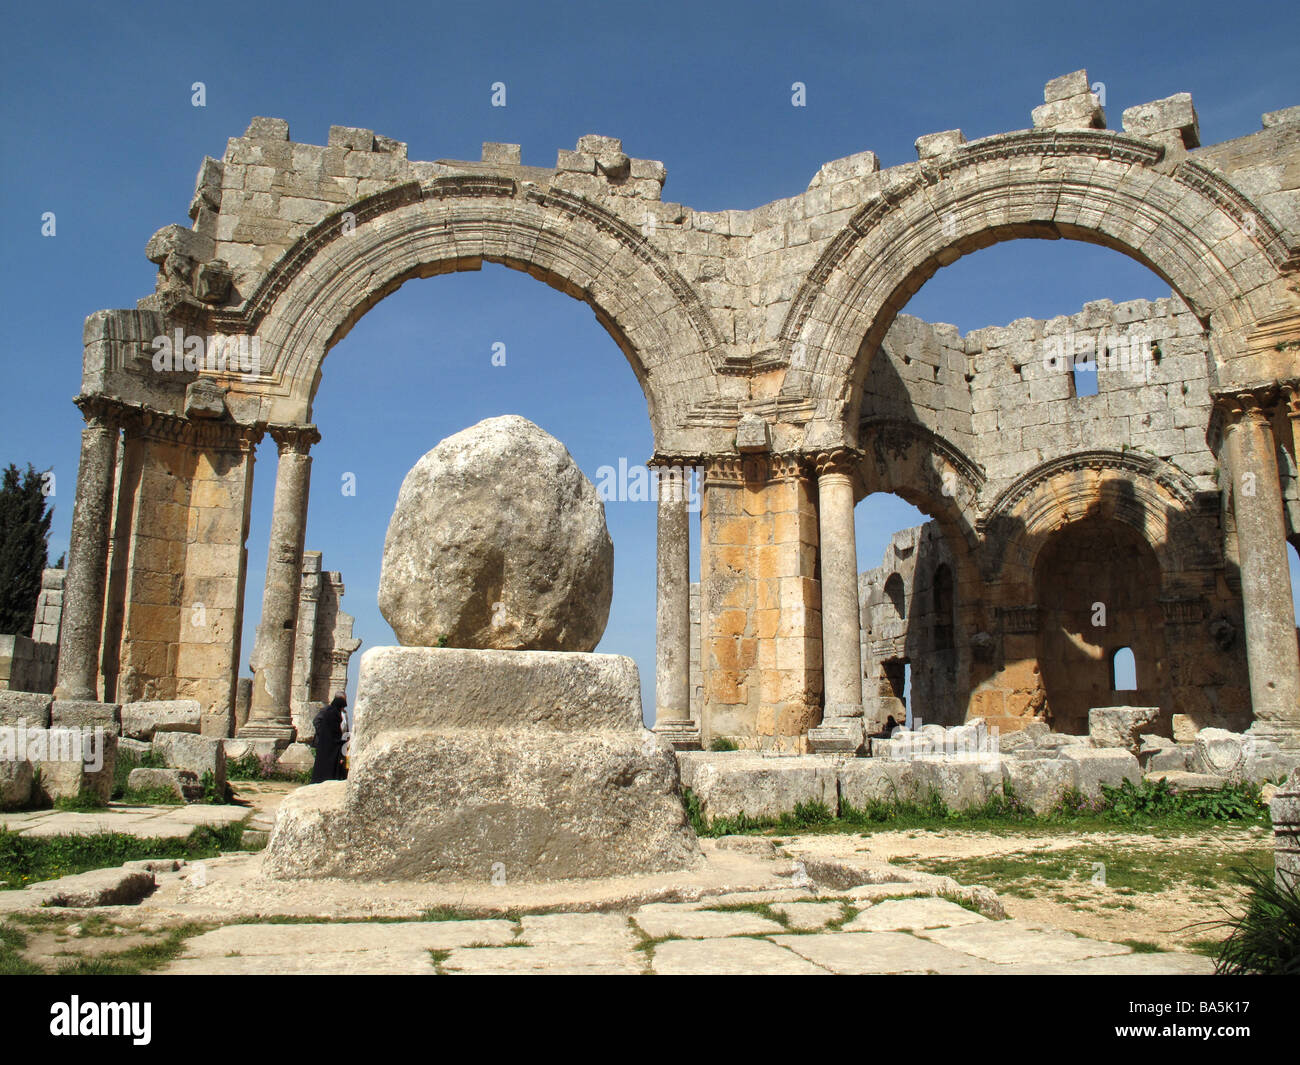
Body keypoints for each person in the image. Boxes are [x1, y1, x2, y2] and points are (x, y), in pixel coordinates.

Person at [311, 693, 348, 784]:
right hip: (329, 743)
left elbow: (345, 729)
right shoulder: (328, 711)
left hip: (339, 742)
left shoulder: (343, 714)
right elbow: (317, 721)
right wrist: (325, 735)